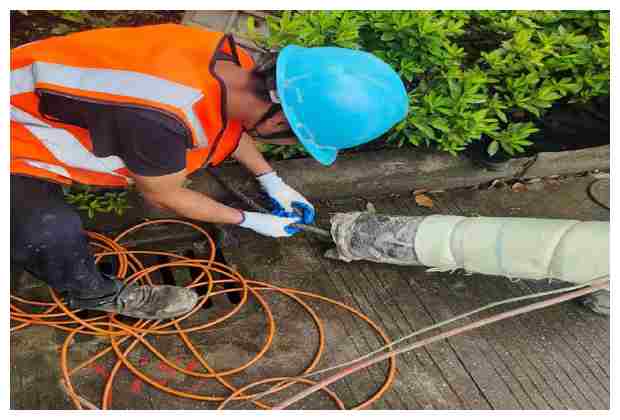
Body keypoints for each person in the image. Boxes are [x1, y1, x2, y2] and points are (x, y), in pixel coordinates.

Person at [10, 24, 409, 320]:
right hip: (14, 134)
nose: (290, 145)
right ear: (277, 120)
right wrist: (249, 220)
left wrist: (272, 180)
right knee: (47, 230)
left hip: (28, 93)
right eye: (298, 139)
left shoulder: (231, 63)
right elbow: (164, 194)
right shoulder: (158, 121)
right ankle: (94, 295)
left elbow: (227, 124)